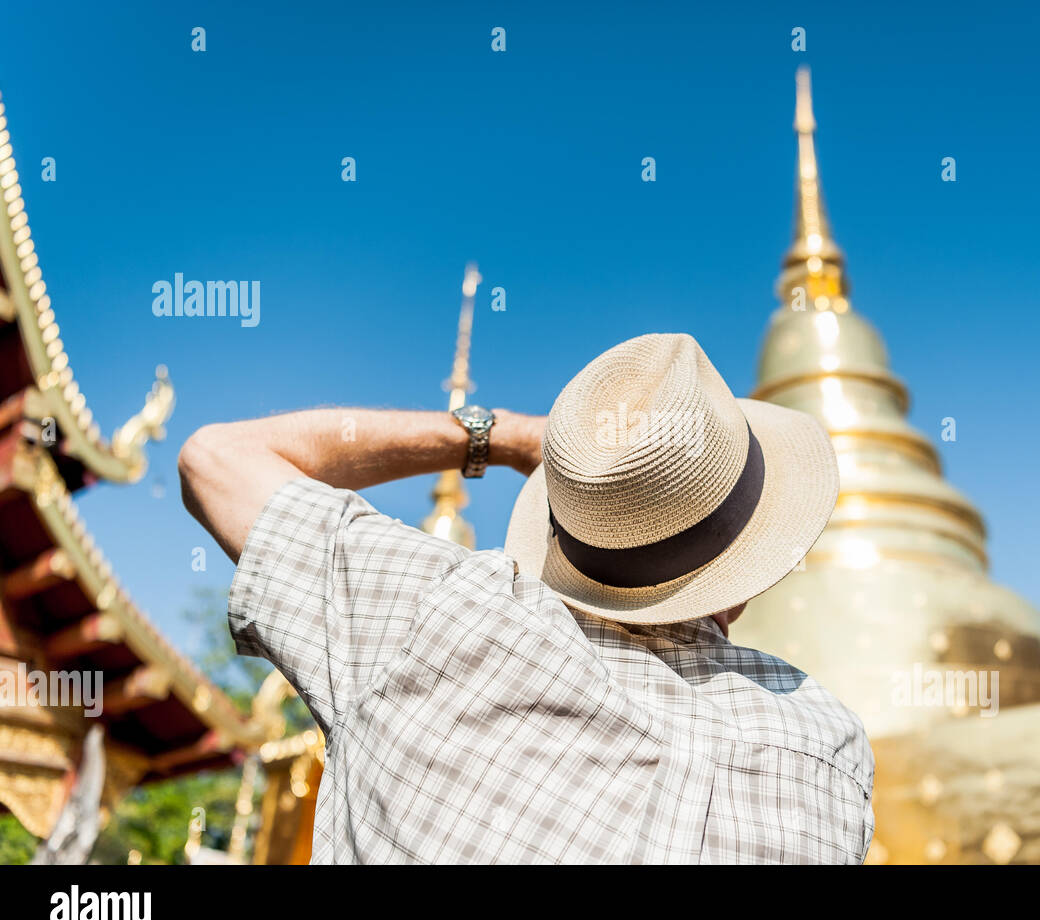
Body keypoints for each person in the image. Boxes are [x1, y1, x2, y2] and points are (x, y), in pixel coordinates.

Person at [179, 332, 873, 863]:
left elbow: (214, 459)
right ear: (748, 570)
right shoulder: (826, 747)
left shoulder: (443, 615)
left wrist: (503, 435)